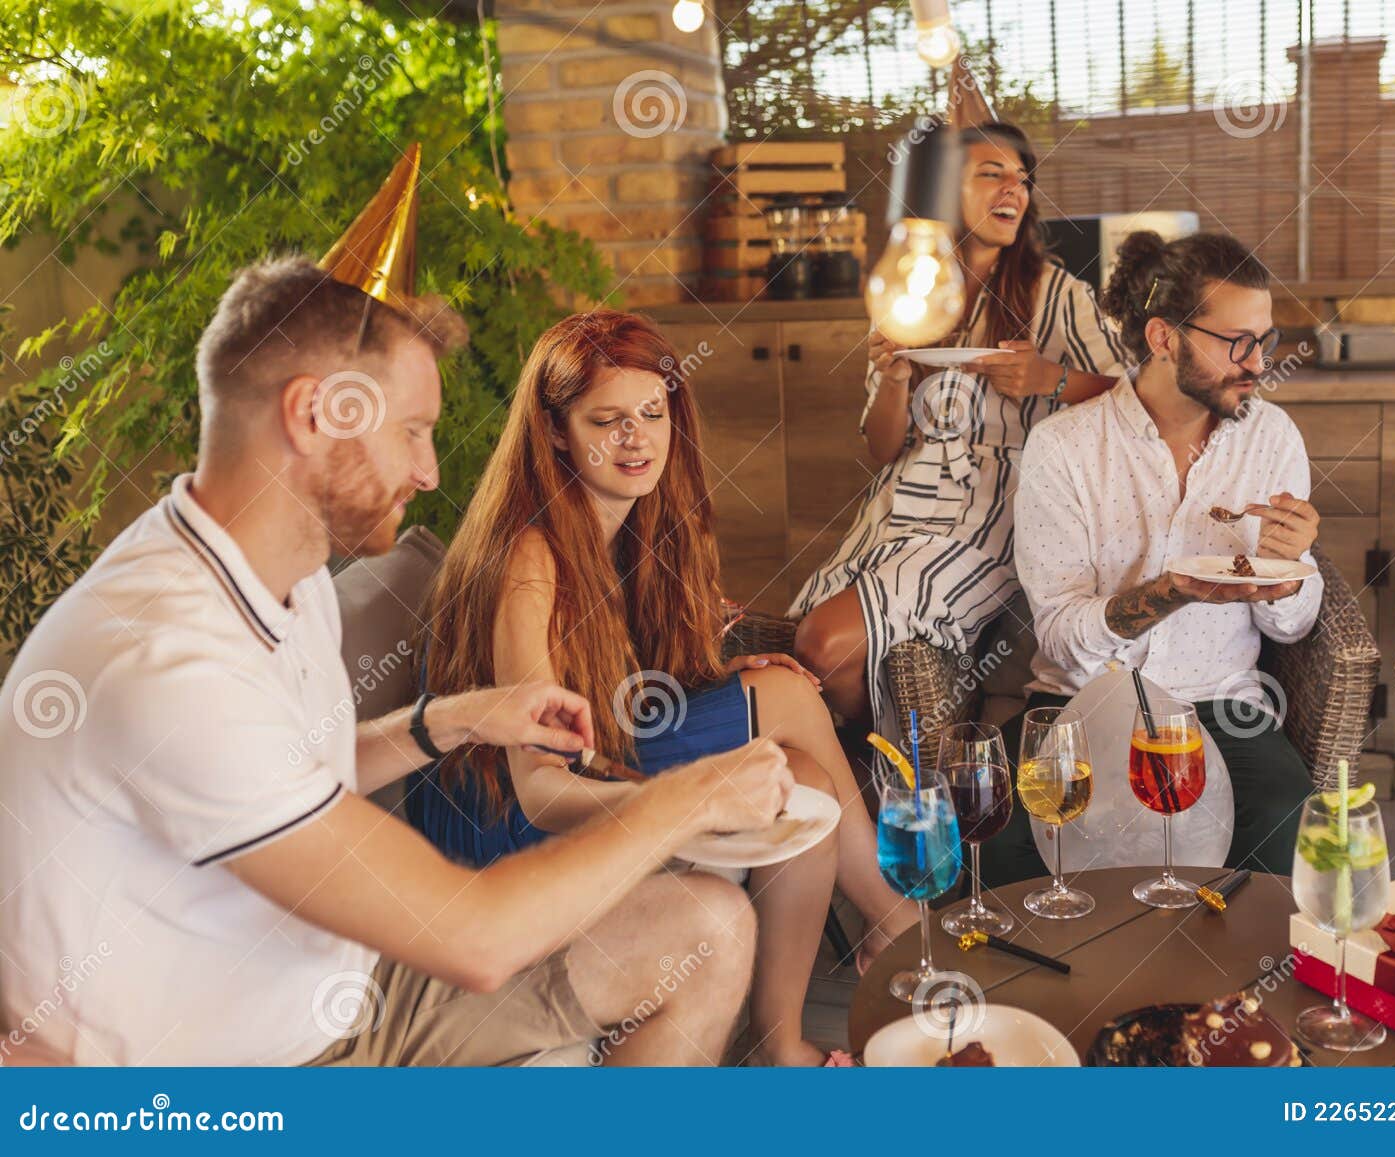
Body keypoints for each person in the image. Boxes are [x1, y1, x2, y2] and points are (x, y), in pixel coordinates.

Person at [0, 255, 791, 1067]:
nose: (430, 470)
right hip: (248, 1077)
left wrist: (442, 721)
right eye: (412, 431)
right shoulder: (167, 658)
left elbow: (279, 769)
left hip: (346, 992)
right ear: (314, 413)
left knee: (711, 928)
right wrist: (691, 795)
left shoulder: (279, 570)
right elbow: (476, 939)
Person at [406, 309, 920, 1067]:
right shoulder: (528, 556)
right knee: (781, 703)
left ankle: (778, 1046)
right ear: (554, 431)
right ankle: (899, 922)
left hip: (588, 767)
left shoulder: (631, 524)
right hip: (495, 829)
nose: (636, 438)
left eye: (653, 412)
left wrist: (716, 682)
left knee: (800, 782)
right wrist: (692, 798)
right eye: (606, 420)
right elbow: (540, 784)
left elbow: (618, 692)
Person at [984, 229, 1325, 886]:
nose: (1257, 364)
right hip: (1077, 702)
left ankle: (1235, 987)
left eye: (1265, 340)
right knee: (996, 835)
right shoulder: (1064, 450)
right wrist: (1172, 590)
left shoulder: (1272, 439)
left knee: (1289, 822)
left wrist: (1294, 567)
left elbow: (1292, 628)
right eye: (1237, 343)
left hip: (1219, 706)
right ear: (1164, 337)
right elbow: (1060, 637)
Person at [789, 121, 1126, 743]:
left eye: (1022, 179)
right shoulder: (914, 286)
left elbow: (1134, 398)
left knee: (823, 644)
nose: (1013, 190)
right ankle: (906, 769)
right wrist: (893, 377)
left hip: (992, 509)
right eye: (991, 174)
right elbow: (883, 448)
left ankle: (895, 771)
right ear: (942, 191)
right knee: (820, 654)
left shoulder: (1057, 294)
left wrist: (1048, 378)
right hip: (897, 506)